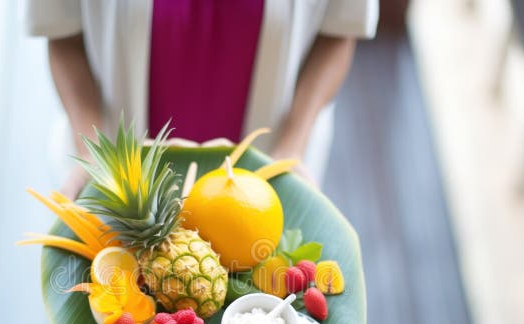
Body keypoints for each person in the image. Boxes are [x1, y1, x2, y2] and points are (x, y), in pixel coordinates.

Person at [26, 0, 379, 198]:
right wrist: (91, 149)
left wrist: (291, 148)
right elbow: (62, 31)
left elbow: (340, 28)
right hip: (119, 177)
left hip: (270, 171)